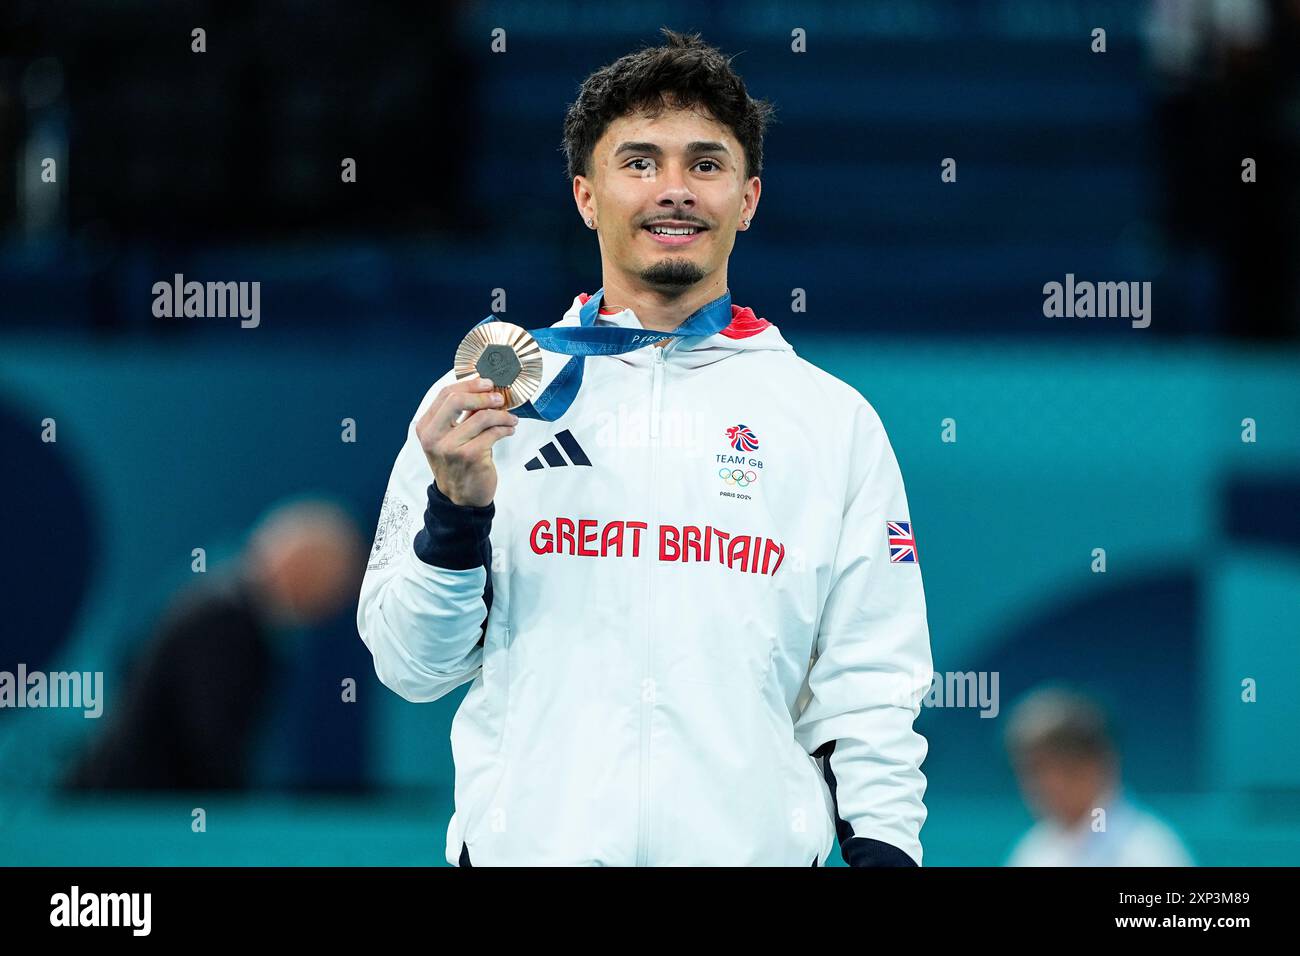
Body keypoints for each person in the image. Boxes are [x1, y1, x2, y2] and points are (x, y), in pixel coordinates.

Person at [357, 28, 933, 866]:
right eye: (639, 163)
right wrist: (454, 518)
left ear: (749, 197)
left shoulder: (833, 421)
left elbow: (872, 691)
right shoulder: (486, 400)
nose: (674, 191)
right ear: (587, 197)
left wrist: (885, 851)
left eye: (705, 165)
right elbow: (411, 666)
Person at [64, 498, 364, 791]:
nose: (335, 601)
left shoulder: (235, 610)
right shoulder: (224, 621)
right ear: (301, 565)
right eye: (335, 579)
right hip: (130, 813)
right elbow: (211, 744)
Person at [1003, 686, 1194, 866]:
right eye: (1032, 770)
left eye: (1064, 766)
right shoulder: (1032, 850)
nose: (1048, 784)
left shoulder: (1150, 853)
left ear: (1102, 762)